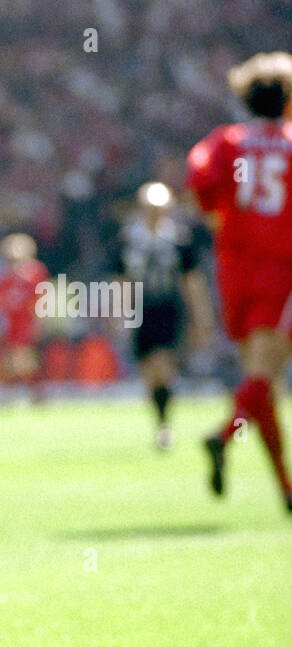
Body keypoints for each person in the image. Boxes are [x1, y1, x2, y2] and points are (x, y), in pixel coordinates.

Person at [188, 51, 292, 512]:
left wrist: (224, 219)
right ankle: (223, 435)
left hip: (234, 272)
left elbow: (200, 182)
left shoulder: (225, 141)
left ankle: (286, 489)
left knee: (262, 382)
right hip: (281, 271)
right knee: (264, 377)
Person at [110, 182, 213, 450]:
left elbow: (192, 282)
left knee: (164, 367)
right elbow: (121, 280)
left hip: (169, 308)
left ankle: (165, 426)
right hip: (141, 310)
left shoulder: (179, 239)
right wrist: (119, 313)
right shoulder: (128, 239)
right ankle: (161, 421)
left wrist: (201, 319)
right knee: (149, 374)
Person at [0, 233, 49, 402]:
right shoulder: (3, 275)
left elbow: (40, 299)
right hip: (7, 322)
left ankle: (28, 393)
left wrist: (40, 321)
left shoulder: (35, 272)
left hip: (25, 321)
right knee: (12, 360)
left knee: (20, 359)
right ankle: (27, 393)